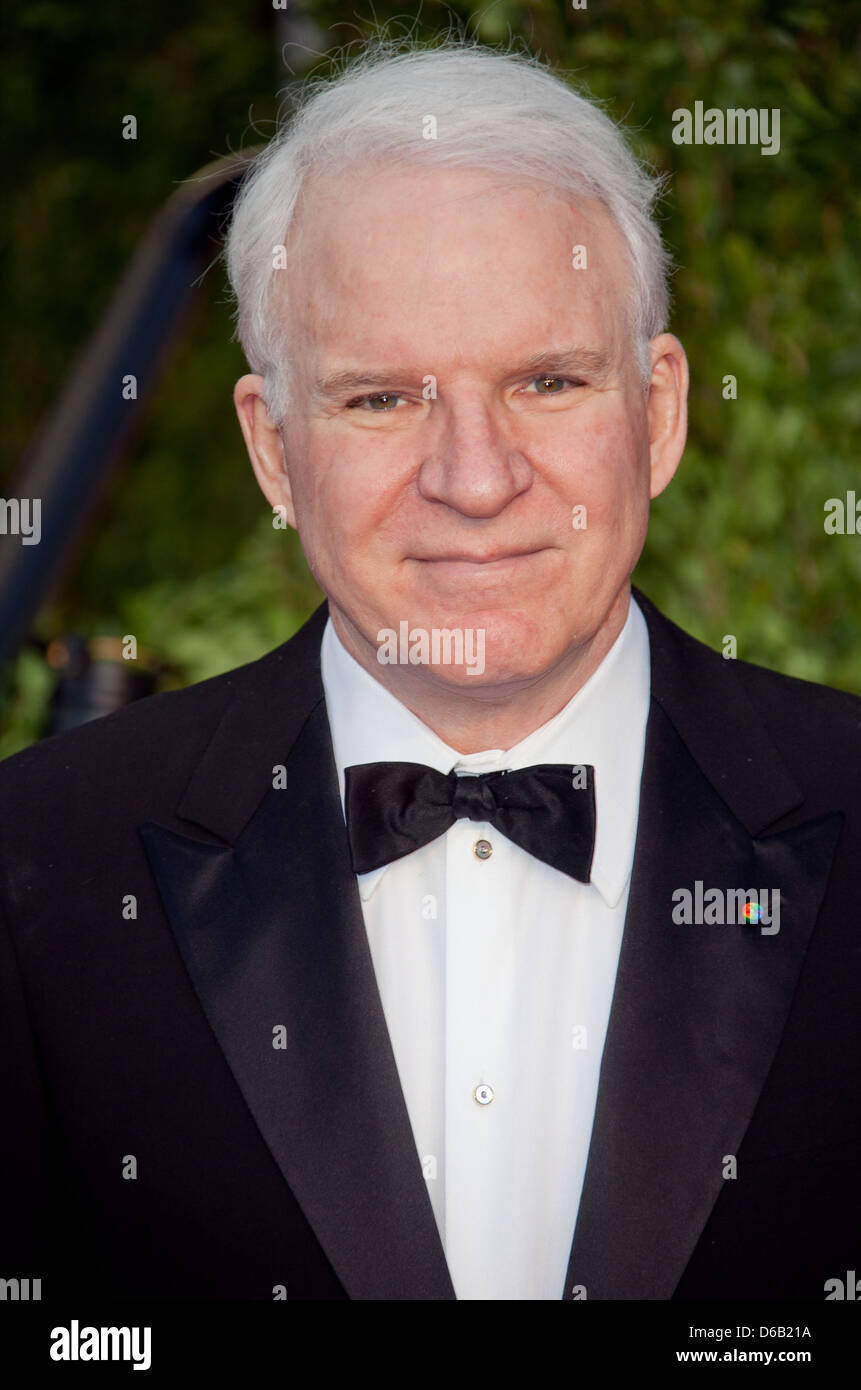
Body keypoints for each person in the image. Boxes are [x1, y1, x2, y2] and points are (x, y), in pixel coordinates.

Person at [1, 40, 858, 1303]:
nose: (475, 476)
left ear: (660, 411)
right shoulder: (39, 863)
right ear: (276, 453)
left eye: (549, 380)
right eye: (383, 399)